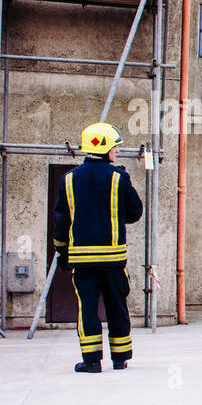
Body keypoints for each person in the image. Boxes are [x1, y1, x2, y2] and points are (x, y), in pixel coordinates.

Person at [51, 122, 143, 372]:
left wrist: (61, 252)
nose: (117, 152)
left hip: (82, 261)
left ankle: (91, 361)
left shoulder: (68, 180)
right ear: (105, 148)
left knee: (87, 309)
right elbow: (135, 212)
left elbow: (61, 221)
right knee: (117, 306)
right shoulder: (119, 178)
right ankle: (120, 357)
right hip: (113, 260)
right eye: (115, 147)